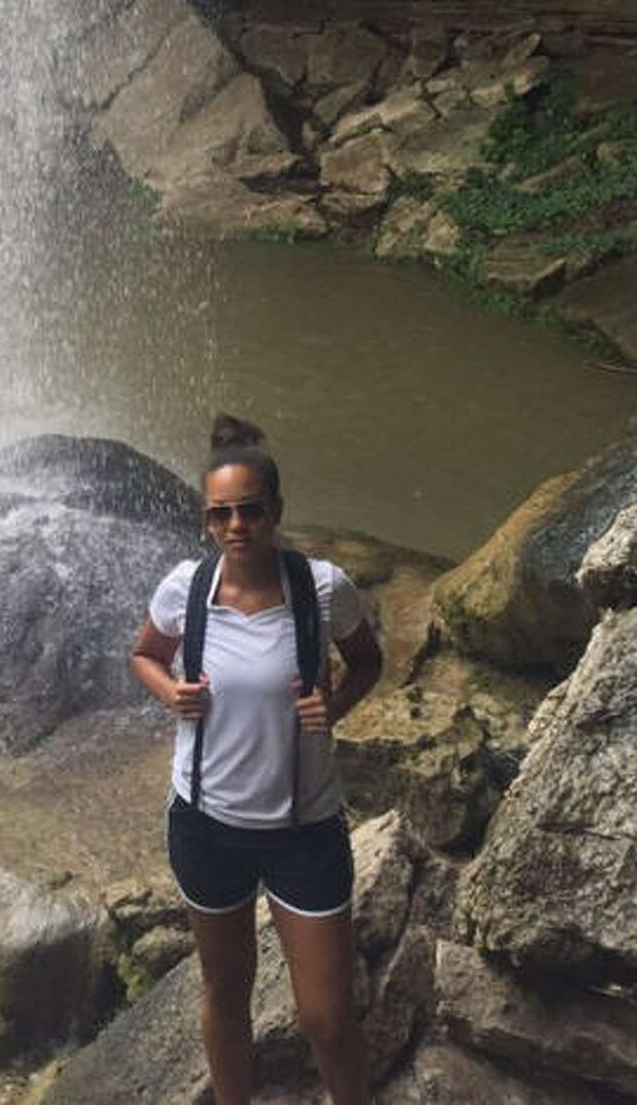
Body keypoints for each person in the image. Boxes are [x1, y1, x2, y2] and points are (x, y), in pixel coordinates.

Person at [130, 414, 385, 1105]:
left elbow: (367, 661)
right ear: (207, 521)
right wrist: (171, 692)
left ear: (275, 511)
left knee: (327, 1016)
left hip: (305, 826)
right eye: (221, 513)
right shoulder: (187, 588)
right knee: (226, 990)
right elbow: (145, 654)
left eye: (249, 510)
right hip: (208, 825)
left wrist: (336, 709)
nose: (236, 524)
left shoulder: (322, 587)